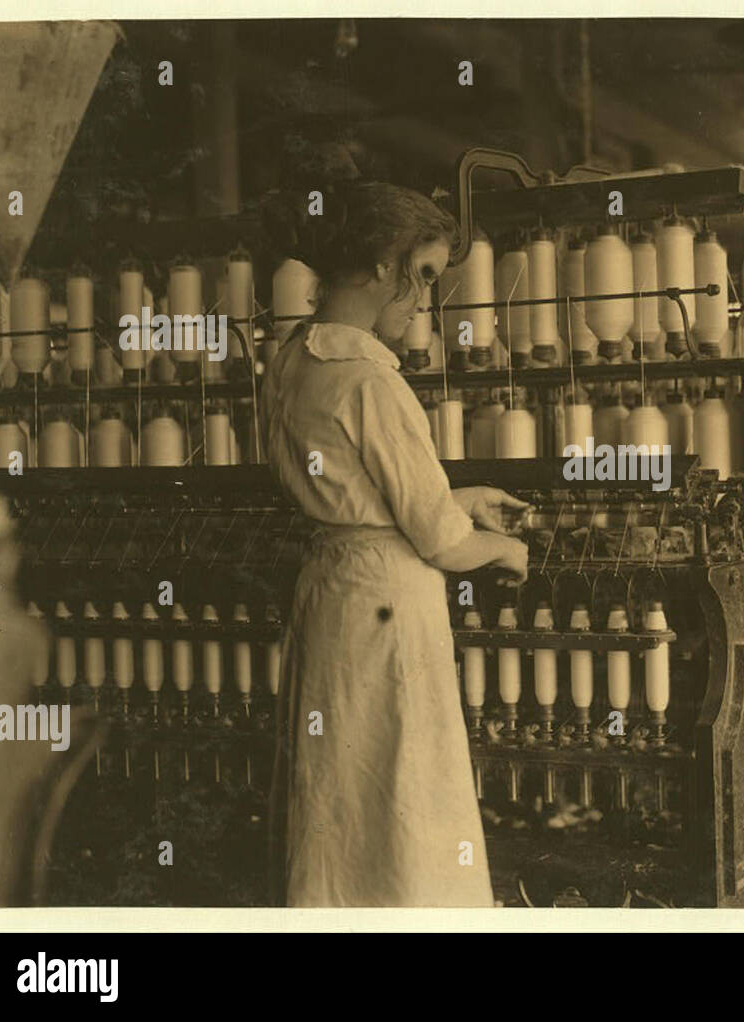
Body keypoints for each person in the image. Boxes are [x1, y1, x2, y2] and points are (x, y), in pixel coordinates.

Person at [261, 178, 528, 907]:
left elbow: (356, 493)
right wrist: (507, 551)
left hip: (331, 586)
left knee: (340, 793)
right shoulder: (372, 383)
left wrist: (457, 500)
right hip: (387, 599)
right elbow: (441, 542)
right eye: (427, 276)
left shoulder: (289, 361)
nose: (427, 299)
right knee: (405, 786)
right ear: (384, 263)